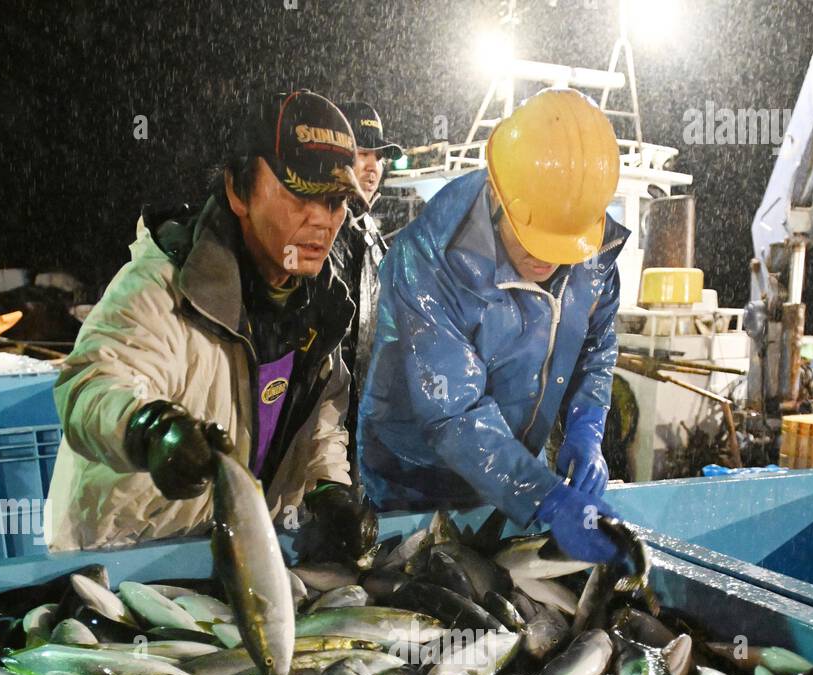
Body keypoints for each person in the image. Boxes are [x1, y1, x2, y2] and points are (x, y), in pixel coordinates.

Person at [47, 90, 374, 554]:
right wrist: (152, 429)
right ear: (239, 189)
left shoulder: (320, 308)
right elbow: (91, 385)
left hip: (241, 559)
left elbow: (321, 421)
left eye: (337, 200)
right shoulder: (162, 286)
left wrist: (328, 489)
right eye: (302, 193)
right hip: (130, 562)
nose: (322, 220)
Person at [358, 87, 629, 565]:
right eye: (533, 240)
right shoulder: (429, 260)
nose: (547, 258)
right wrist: (541, 495)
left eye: (561, 246)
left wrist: (586, 430)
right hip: (414, 483)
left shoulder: (591, 245)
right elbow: (454, 411)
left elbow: (597, 345)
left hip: (517, 476)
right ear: (499, 194)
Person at [332, 100, 403, 474]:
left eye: (378, 156)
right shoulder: (320, 231)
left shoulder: (370, 232)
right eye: (362, 153)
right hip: (325, 420)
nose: (373, 165)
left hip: (359, 421)